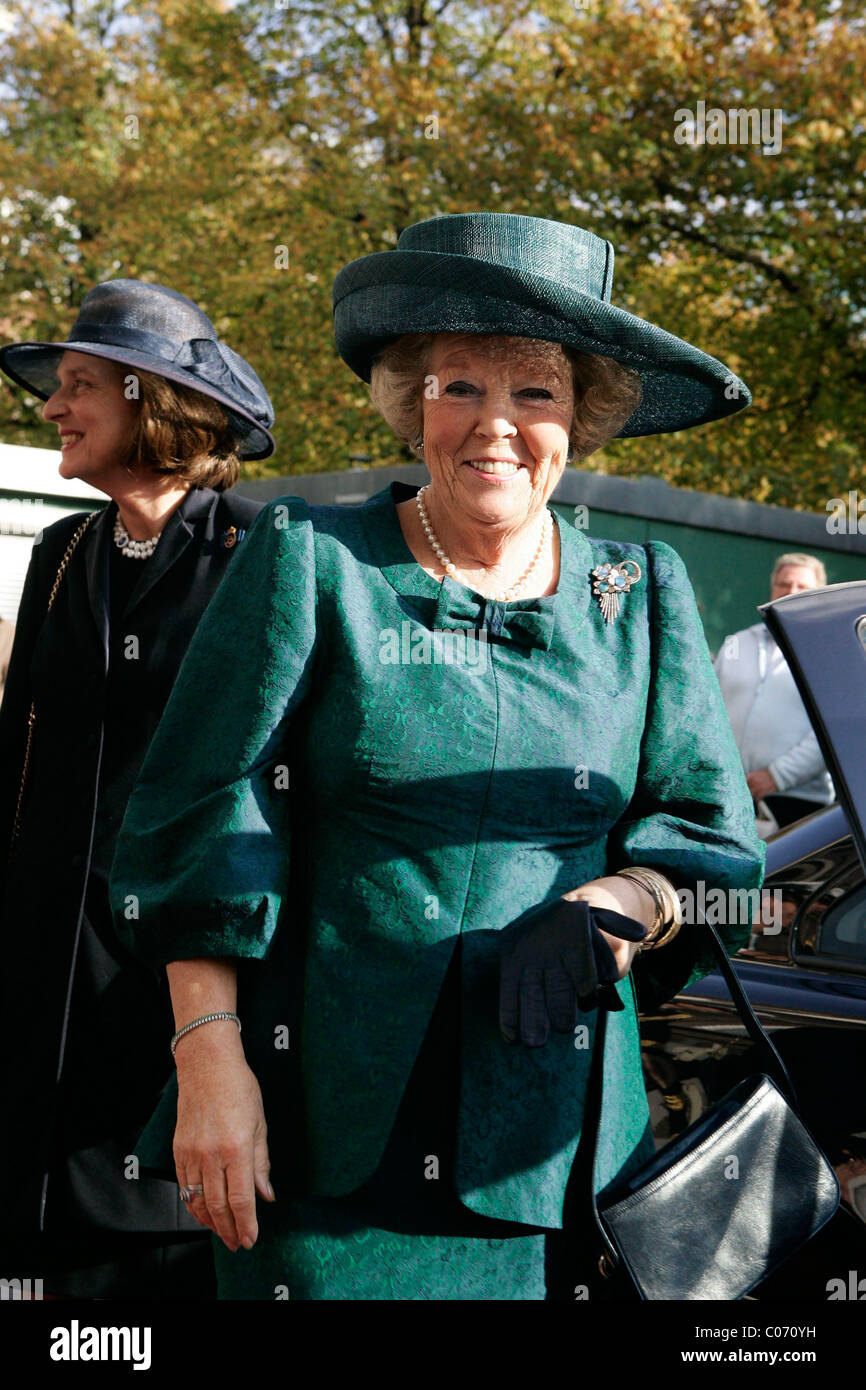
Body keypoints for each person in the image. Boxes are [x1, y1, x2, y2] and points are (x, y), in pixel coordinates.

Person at [110, 212, 765, 1301]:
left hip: (546, 1153)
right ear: (411, 404)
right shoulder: (312, 560)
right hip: (318, 1130)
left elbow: (710, 847)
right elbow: (197, 815)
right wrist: (207, 1058)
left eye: (535, 392)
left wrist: (620, 895)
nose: (494, 425)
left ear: (581, 418)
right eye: (458, 385)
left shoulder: (637, 596)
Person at [0, 279, 274, 1298]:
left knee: (152, 1251)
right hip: (41, 969)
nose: (52, 406)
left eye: (77, 385)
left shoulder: (263, 552)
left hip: (181, 983)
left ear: (149, 399)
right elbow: (16, 758)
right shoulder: (63, 554)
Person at [714, 553, 834, 832]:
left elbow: (832, 730)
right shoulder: (738, 642)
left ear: (819, 593)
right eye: (784, 583)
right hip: (730, 793)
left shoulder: (830, 653)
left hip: (798, 802)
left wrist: (777, 776)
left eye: (802, 586)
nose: (791, 592)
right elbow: (710, 711)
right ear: (772, 589)